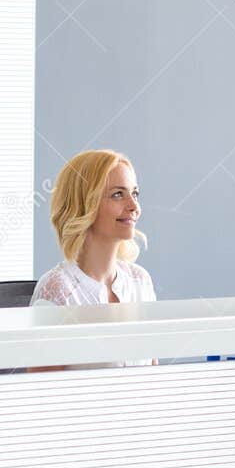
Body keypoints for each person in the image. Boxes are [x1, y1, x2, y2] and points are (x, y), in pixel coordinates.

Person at [29, 149, 155, 370]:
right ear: (85, 204)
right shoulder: (58, 290)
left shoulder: (140, 281)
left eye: (135, 193)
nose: (134, 206)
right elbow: (43, 396)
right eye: (118, 194)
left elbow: (154, 376)